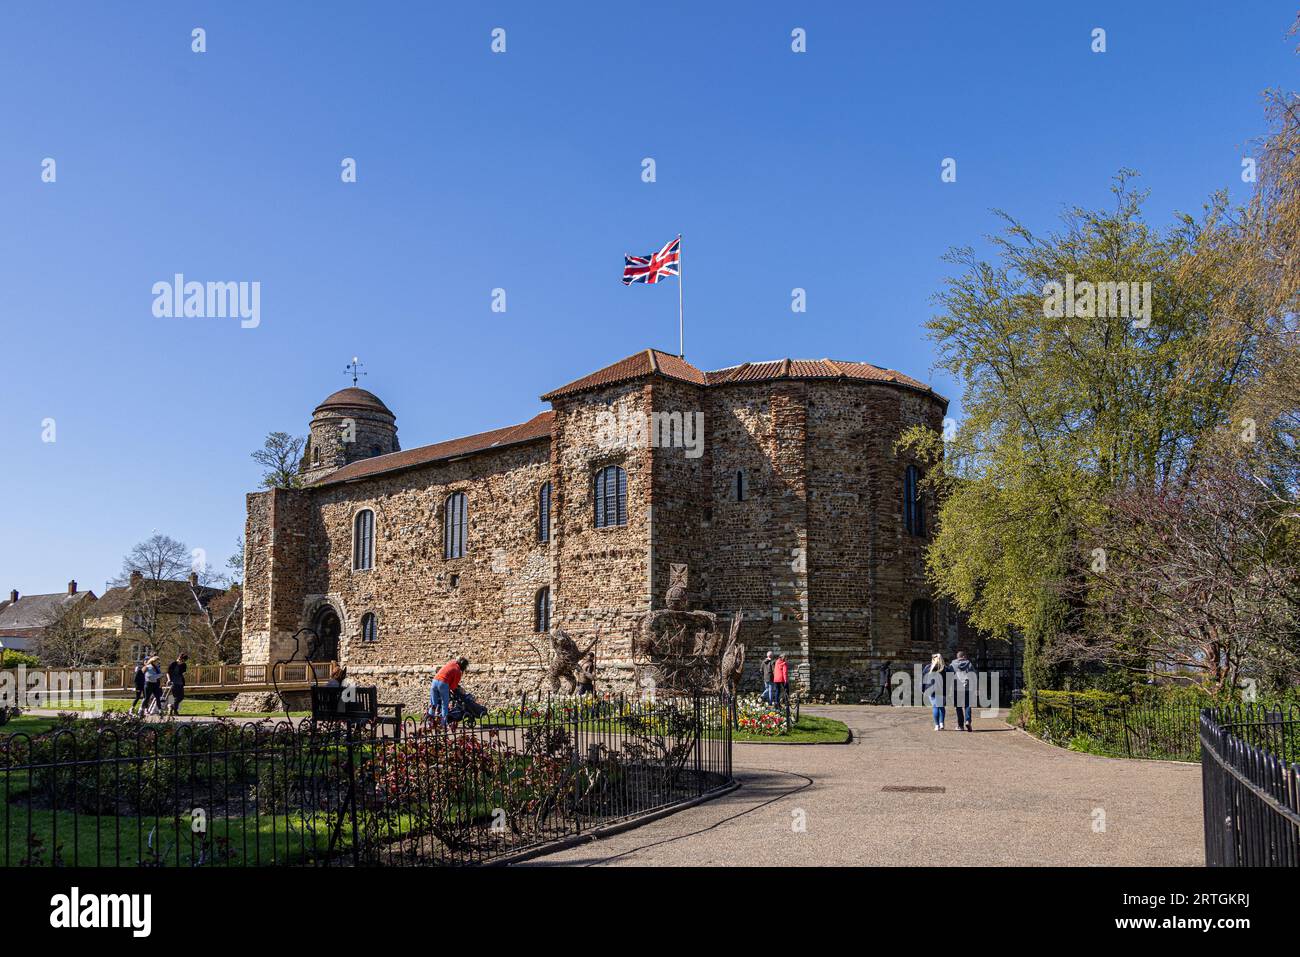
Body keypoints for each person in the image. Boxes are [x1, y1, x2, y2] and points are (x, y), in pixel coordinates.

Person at [428, 656, 469, 729]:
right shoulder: (458, 671)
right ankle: (443, 723)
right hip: (443, 683)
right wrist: (458, 690)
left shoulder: (451, 663)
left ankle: (430, 723)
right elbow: (453, 686)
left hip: (434, 681)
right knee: (444, 704)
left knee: (433, 704)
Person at [951, 650, 975, 732]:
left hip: (956, 688)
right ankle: (968, 721)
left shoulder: (952, 665)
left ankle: (960, 726)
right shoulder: (969, 664)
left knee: (958, 707)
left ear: (957, 657)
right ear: (964, 656)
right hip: (967, 687)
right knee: (967, 705)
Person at [924, 653, 949, 730]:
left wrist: (923, 689)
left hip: (931, 690)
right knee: (941, 706)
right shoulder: (945, 668)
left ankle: (936, 725)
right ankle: (941, 723)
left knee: (935, 707)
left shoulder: (928, 668)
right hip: (942, 690)